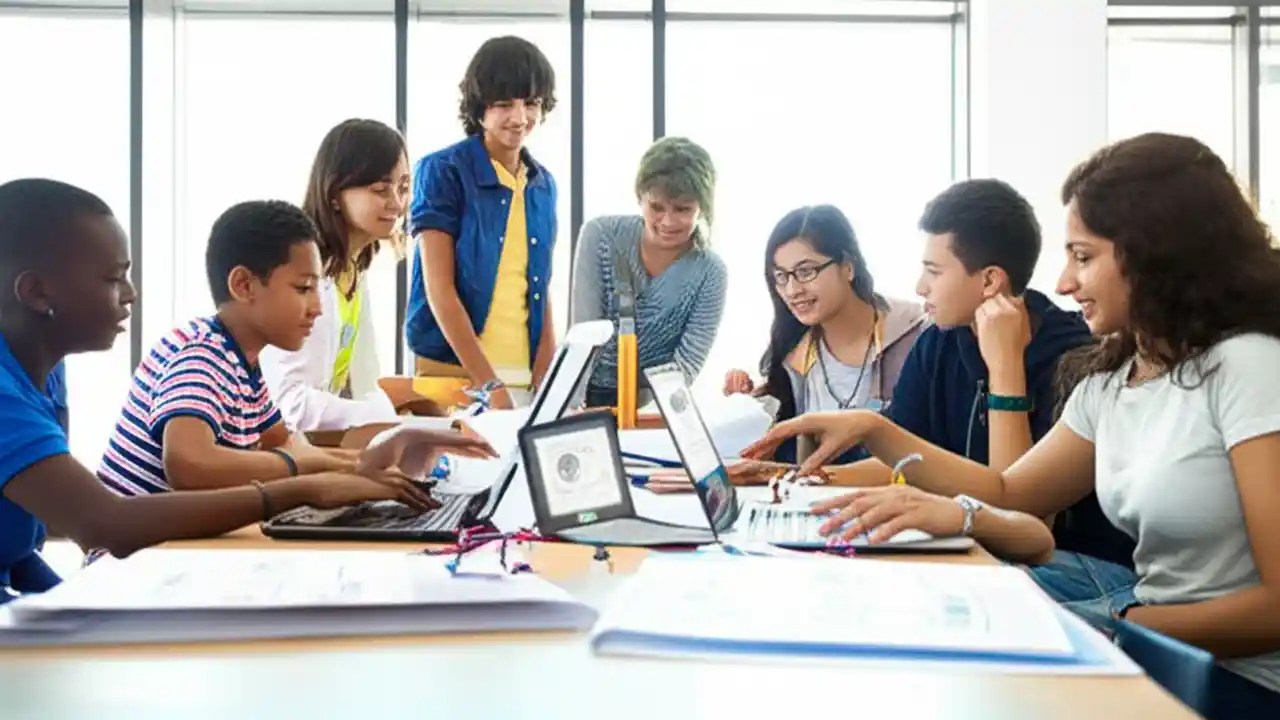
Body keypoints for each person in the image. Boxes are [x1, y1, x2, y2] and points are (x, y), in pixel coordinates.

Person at [744, 134, 1280, 700]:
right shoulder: (1114, 377)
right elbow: (1009, 490)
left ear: (1154, 255)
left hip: (1230, 678)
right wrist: (887, 444)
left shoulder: (1247, 366)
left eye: (1083, 257)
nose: (1064, 282)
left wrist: (1116, 627)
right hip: (1151, 636)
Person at [0, 179, 488, 603]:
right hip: (138, 565)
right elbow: (155, 487)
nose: (131, 293)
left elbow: (21, 546)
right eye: (113, 278)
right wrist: (301, 488)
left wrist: (371, 458)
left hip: (143, 567)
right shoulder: (198, 354)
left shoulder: (47, 373)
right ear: (37, 293)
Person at [98, 200, 376, 496]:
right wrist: (303, 468)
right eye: (303, 288)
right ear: (244, 285)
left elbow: (284, 442)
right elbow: (188, 465)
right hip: (141, 528)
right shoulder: (202, 354)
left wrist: (363, 463)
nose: (317, 308)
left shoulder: (243, 362)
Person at [405, 35, 558, 410]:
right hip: (456, 377)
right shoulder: (442, 170)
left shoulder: (543, 184)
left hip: (525, 379)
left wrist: (548, 379)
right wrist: (489, 386)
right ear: (478, 107)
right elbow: (439, 290)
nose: (520, 118)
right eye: (504, 104)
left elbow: (539, 283)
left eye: (532, 103)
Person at [722, 205, 925, 467]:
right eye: (781, 276)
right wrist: (749, 402)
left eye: (806, 272)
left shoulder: (915, 337)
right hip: (813, 491)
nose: (792, 290)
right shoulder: (794, 352)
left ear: (847, 266)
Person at [261, 119, 429, 432]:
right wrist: (382, 419)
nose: (397, 203)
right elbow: (291, 404)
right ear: (334, 194)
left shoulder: (353, 268)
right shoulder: (307, 276)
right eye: (380, 190)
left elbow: (365, 384)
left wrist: (395, 421)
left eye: (404, 188)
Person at [572, 137, 726, 407]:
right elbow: (584, 337)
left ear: (701, 208)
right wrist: (575, 408)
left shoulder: (710, 272)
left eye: (683, 209)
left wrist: (646, 418)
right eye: (656, 207)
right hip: (588, 397)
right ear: (640, 198)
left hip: (657, 405)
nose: (668, 221)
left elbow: (687, 365)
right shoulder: (600, 236)